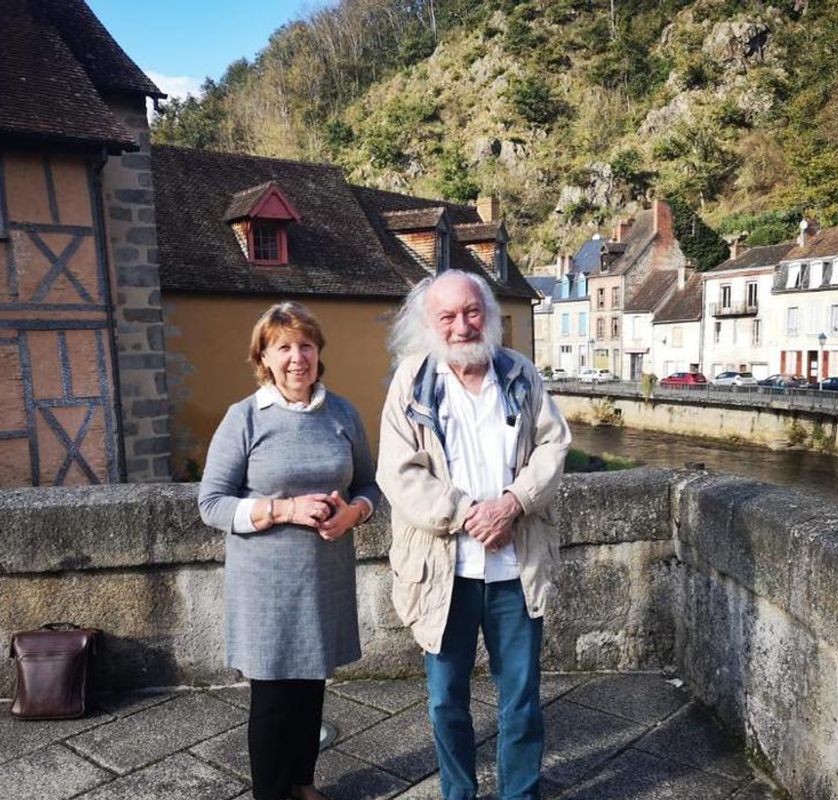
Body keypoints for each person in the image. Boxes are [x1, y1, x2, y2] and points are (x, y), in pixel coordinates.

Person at [377, 270, 571, 800]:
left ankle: (520, 794)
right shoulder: (412, 382)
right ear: (429, 324)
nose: (462, 325)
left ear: (487, 313)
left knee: (522, 701)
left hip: (516, 567)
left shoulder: (520, 373)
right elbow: (398, 473)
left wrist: (512, 503)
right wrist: (468, 513)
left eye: (472, 311)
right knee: (445, 700)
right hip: (445, 572)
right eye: (447, 316)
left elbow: (553, 448)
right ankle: (458, 795)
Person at [198, 302, 380, 800]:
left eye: (306, 345)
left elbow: (370, 484)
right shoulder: (245, 419)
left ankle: (302, 783)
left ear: (319, 353)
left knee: (310, 689)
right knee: (274, 701)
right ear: (264, 357)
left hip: (324, 576)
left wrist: (354, 514)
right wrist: (282, 511)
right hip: (265, 586)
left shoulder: (342, 413)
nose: (297, 357)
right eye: (283, 347)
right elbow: (210, 504)